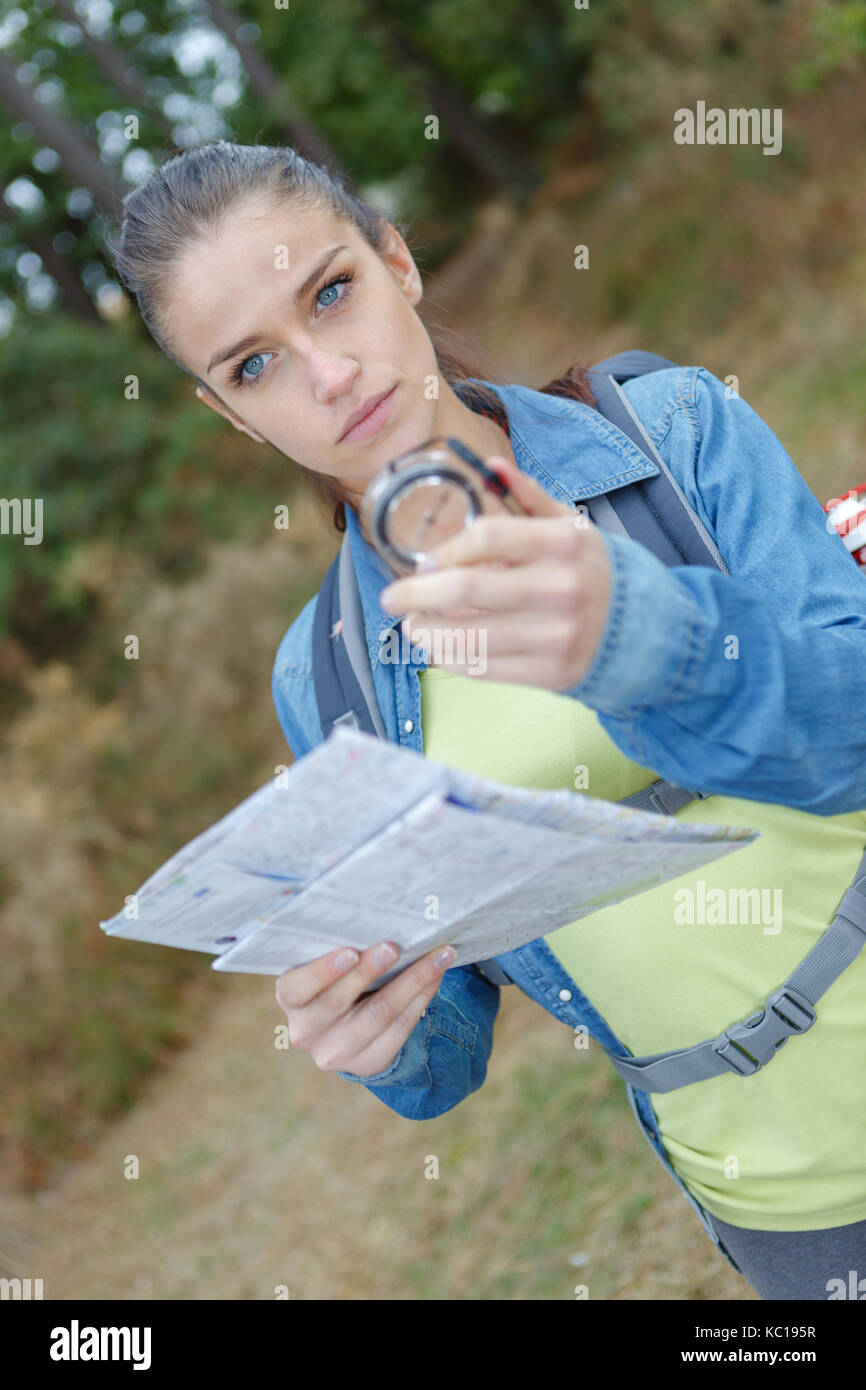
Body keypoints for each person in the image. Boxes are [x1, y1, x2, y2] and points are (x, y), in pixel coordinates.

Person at [107, 138, 866, 1301]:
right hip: (782, 1217)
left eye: (330, 293)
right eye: (255, 366)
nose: (328, 374)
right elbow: (445, 1043)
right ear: (228, 415)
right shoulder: (326, 678)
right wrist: (378, 1030)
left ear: (398, 262)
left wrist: (640, 639)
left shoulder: (670, 435)